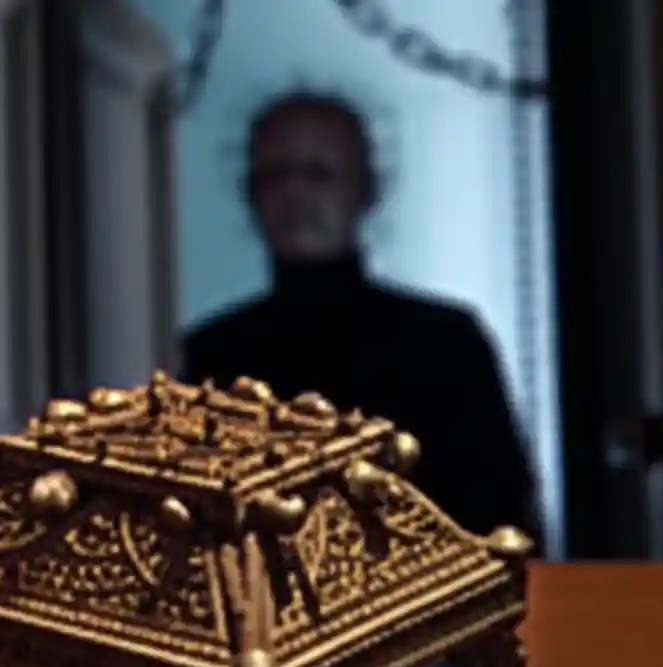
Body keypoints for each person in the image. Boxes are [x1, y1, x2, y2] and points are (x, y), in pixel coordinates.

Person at [181, 92, 539, 540]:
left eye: (319, 174)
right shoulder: (211, 357)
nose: (295, 194)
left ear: (367, 188)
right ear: (250, 193)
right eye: (275, 175)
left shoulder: (444, 346)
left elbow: (498, 514)